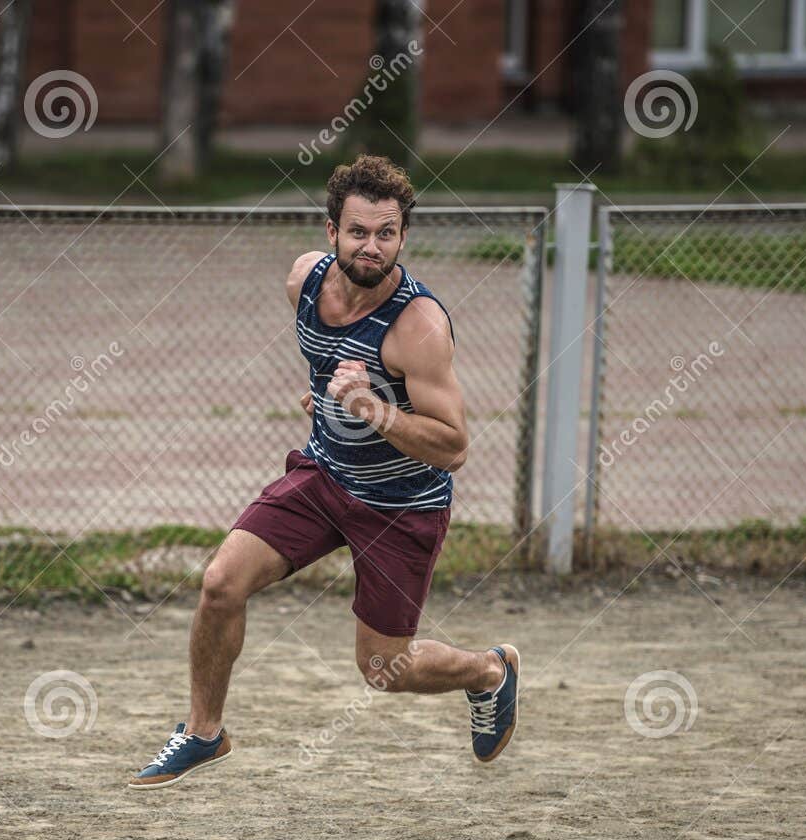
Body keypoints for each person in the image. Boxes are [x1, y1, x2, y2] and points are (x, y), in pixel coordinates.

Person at [130, 155, 518, 790]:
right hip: (325, 477)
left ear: (403, 237)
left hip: (402, 505)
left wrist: (371, 409)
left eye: (386, 233)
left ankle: (490, 672)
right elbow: (327, 366)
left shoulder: (419, 326)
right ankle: (203, 733)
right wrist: (332, 406)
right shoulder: (304, 282)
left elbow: (453, 447)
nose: (372, 247)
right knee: (221, 583)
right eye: (358, 231)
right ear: (332, 230)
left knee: (382, 669)